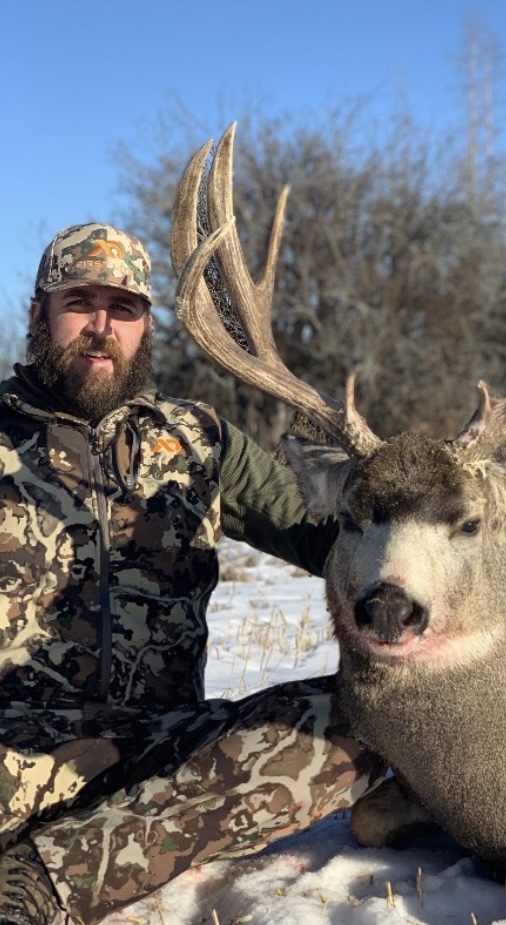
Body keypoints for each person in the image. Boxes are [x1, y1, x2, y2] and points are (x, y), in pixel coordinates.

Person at [0, 224, 386, 925]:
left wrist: (422, 514)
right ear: (39, 312)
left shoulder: (199, 442)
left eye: (123, 309)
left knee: (357, 724)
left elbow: (334, 542)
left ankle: (36, 878)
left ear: (147, 326)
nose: (100, 327)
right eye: (79, 302)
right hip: (13, 749)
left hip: (161, 750)